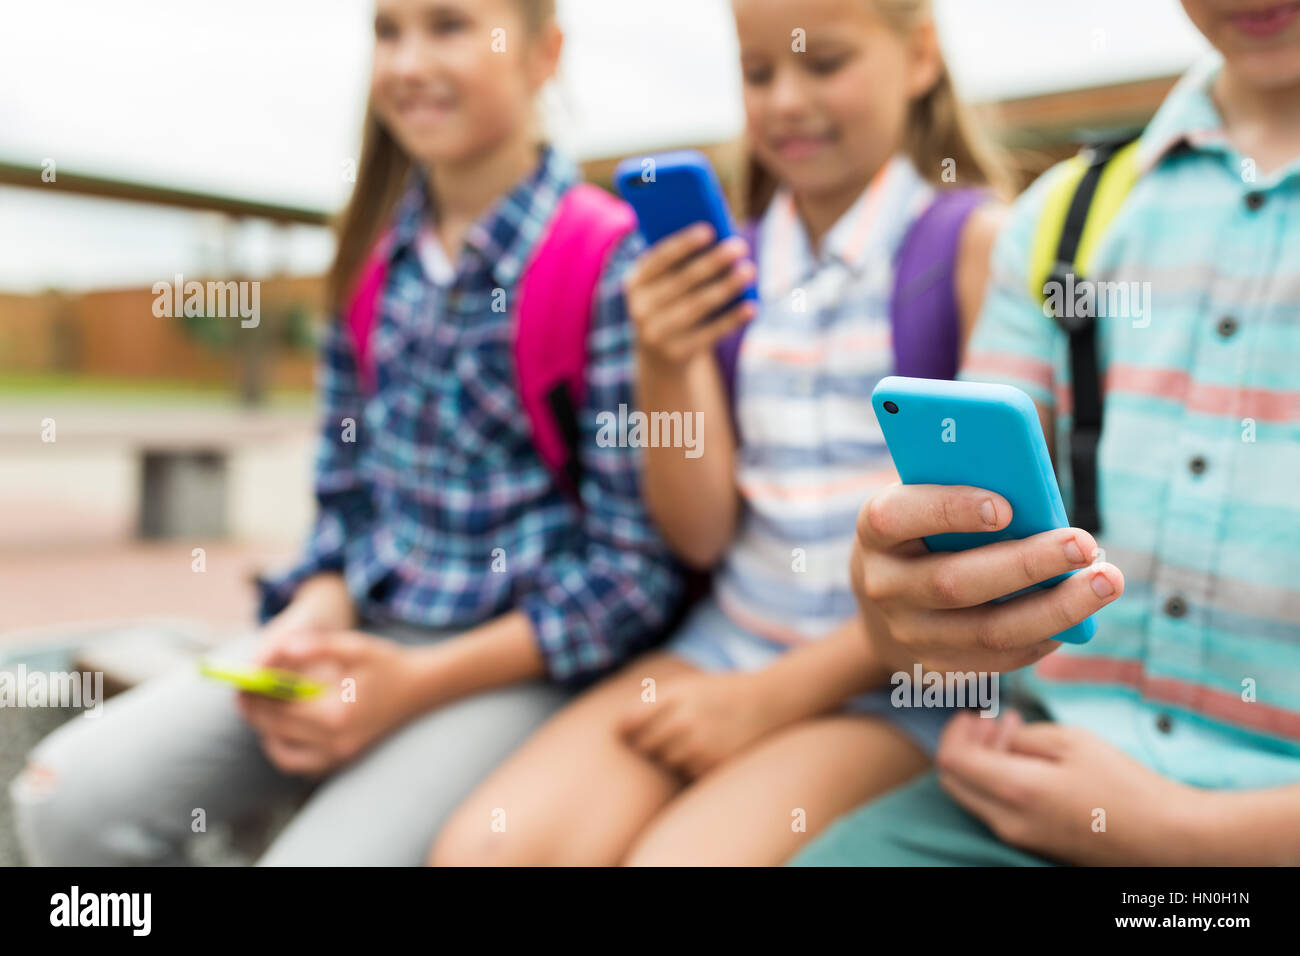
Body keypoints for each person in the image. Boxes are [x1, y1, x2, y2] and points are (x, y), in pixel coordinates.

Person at [10, 0, 681, 866]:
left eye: (448, 26)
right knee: (71, 798)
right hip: (363, 627)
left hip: (524, 665)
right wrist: (315, 612)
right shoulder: (367, 255)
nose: (407, 62)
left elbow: (633, 576)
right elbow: (345, 499)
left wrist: (409, 687)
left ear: (544, 53)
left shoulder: (606, 261)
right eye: (387, 30)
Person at [432, 0, 1010, 866]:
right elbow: (699, 531)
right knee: (483, 852)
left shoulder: (972, 250)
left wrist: (767, 702)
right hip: (725, 647)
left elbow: (986, 556)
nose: (785, 101)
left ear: (919, 56)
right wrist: (666, 361)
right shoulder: (727, 269)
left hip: (896, 685)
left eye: (825, 65)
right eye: (758, 72)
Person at [794, 0, 1300, 866]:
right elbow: (932, 607)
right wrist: (897, 593)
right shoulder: (1063, 220)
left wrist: (1189, 841)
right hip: (1022, 798)